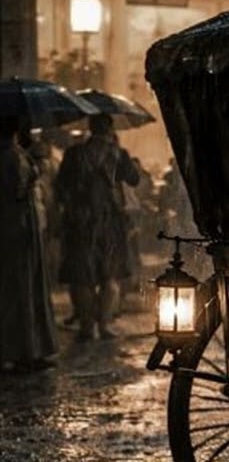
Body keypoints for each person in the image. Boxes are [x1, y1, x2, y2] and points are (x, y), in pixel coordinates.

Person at [55, 114, 139, 341]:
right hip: (110, 221)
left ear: (90, 128)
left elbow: (60, 186)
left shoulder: (74, 154)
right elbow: (134, 179)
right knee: (109, 276)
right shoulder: (118, 154)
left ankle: (86, 328)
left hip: (80, 222)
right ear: (110, 129)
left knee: (82, 277)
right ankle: (104, 326)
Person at [0, 117, 58, 371]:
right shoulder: (11, 156)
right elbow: (17, 189)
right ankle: (24, 350)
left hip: (16, 227)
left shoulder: (14, 154)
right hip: (18, 228)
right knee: (22, 288)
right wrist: (37, 173)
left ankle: (25, 349)